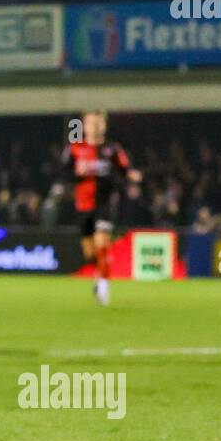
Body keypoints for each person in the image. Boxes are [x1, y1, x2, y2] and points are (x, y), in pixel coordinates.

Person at [53, 111, 141, 306]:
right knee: (89, 254)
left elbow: (125, 169)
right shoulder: (75, 148)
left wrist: (132, 177)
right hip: (84, 205)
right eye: (92, 123)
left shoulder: (112, 149)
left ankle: (103, 286)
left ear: (104, 126)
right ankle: (99, 275)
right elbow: (63, 172)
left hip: (106, 203)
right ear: (84, 126)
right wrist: (79, 174)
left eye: (99, 123)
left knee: (102, 243)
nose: (96, 127)